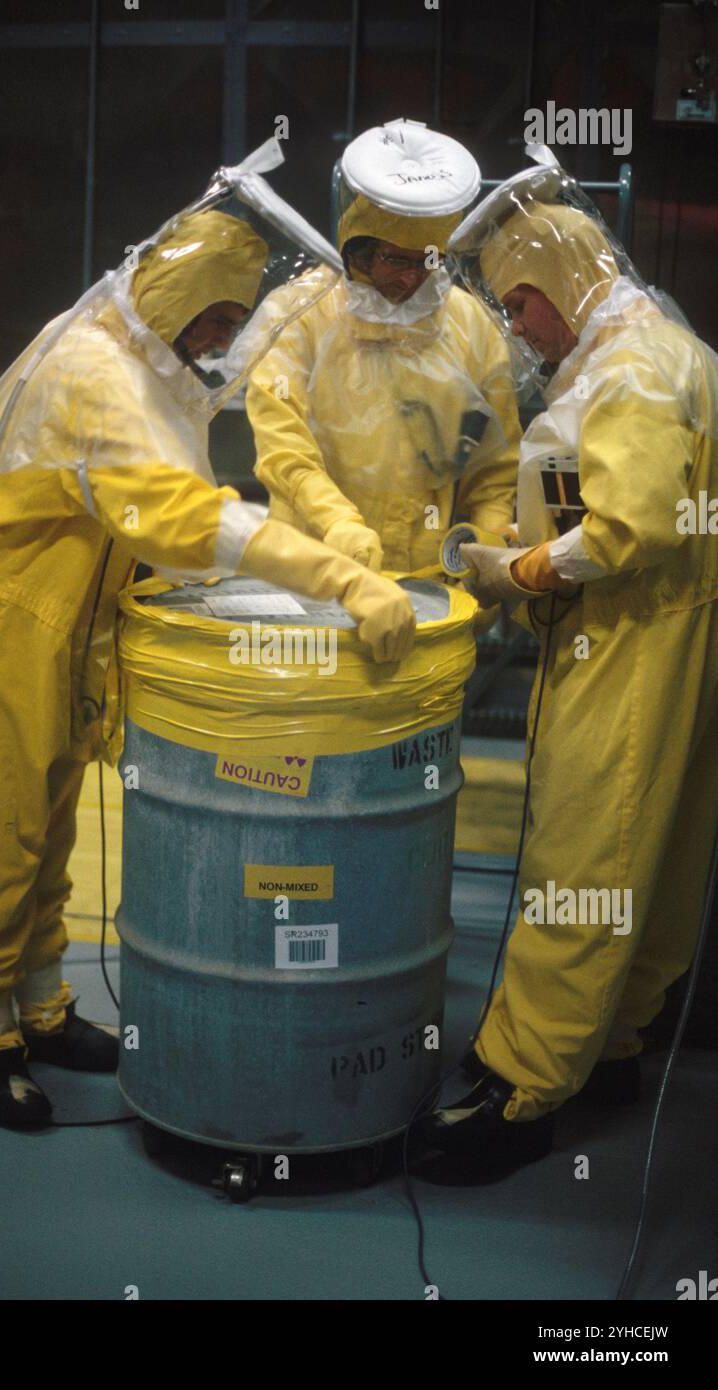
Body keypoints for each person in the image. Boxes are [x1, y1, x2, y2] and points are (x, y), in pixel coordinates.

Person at [0, 153, 416, 1130]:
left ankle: (38, 1010)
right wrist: (333, 571)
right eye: (213, 322)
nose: (217, 344)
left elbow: (182, 499)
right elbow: (176, 514)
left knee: (47, 833)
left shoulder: (135, 352)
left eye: (230, 325)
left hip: (48, 627)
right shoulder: (94, 371)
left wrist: (305, 531)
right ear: (176, 297)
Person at [412, 160, 718, 1180]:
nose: (520, 330)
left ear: (561, 278)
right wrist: (527, 534)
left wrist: (515, 567)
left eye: (519, 305)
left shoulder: (630, 366)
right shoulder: (652, 347)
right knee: (655, 867)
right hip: (677, 639)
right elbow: (587, 485)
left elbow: (626, 529)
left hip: (630, 642)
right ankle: (613, 1048)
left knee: (583, 861)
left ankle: (525, 1089)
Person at [246, 119, 521, 580]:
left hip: (426, 575)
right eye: (396, 259)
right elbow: (282, 447)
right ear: (361, 247)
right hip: (310, 565)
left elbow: (495, 466)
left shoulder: (471, 326)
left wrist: (487, 545)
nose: (411, 278)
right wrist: (337, 522)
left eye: (427, 261)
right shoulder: (300, 313)